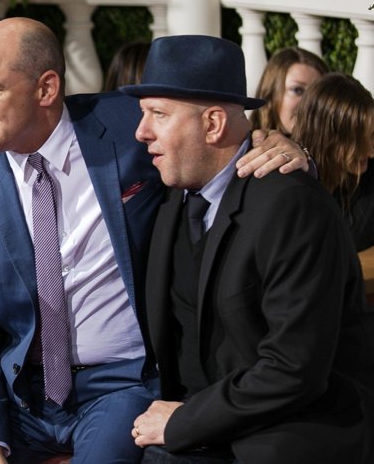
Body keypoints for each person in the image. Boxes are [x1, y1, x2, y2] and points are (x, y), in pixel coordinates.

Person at [0, 22, 311, 464]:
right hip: (19, 395)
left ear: (46, 89)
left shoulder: (128, 127)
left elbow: (208, 135)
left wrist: (283, 148)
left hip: (124, 385)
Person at [123, 35, 374, 463]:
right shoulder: (172, 191)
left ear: (214, 124)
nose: (140, 132)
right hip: (187, 420)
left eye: (158, 115)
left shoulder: (292, 206)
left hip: (286, 433)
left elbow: (294, 368)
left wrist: (185, 422)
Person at [293, 73, 374, 250]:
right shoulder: (293, 188)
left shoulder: (368, 178)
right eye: (356, 141)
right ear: (326, 138)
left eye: (372, 136)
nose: (370, 151)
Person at [248, 46, 327, 135]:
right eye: (298, 90)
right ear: (271, 94)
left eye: (318, 92)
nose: (309, 102)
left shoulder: (338, 146)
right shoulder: (243, 146)